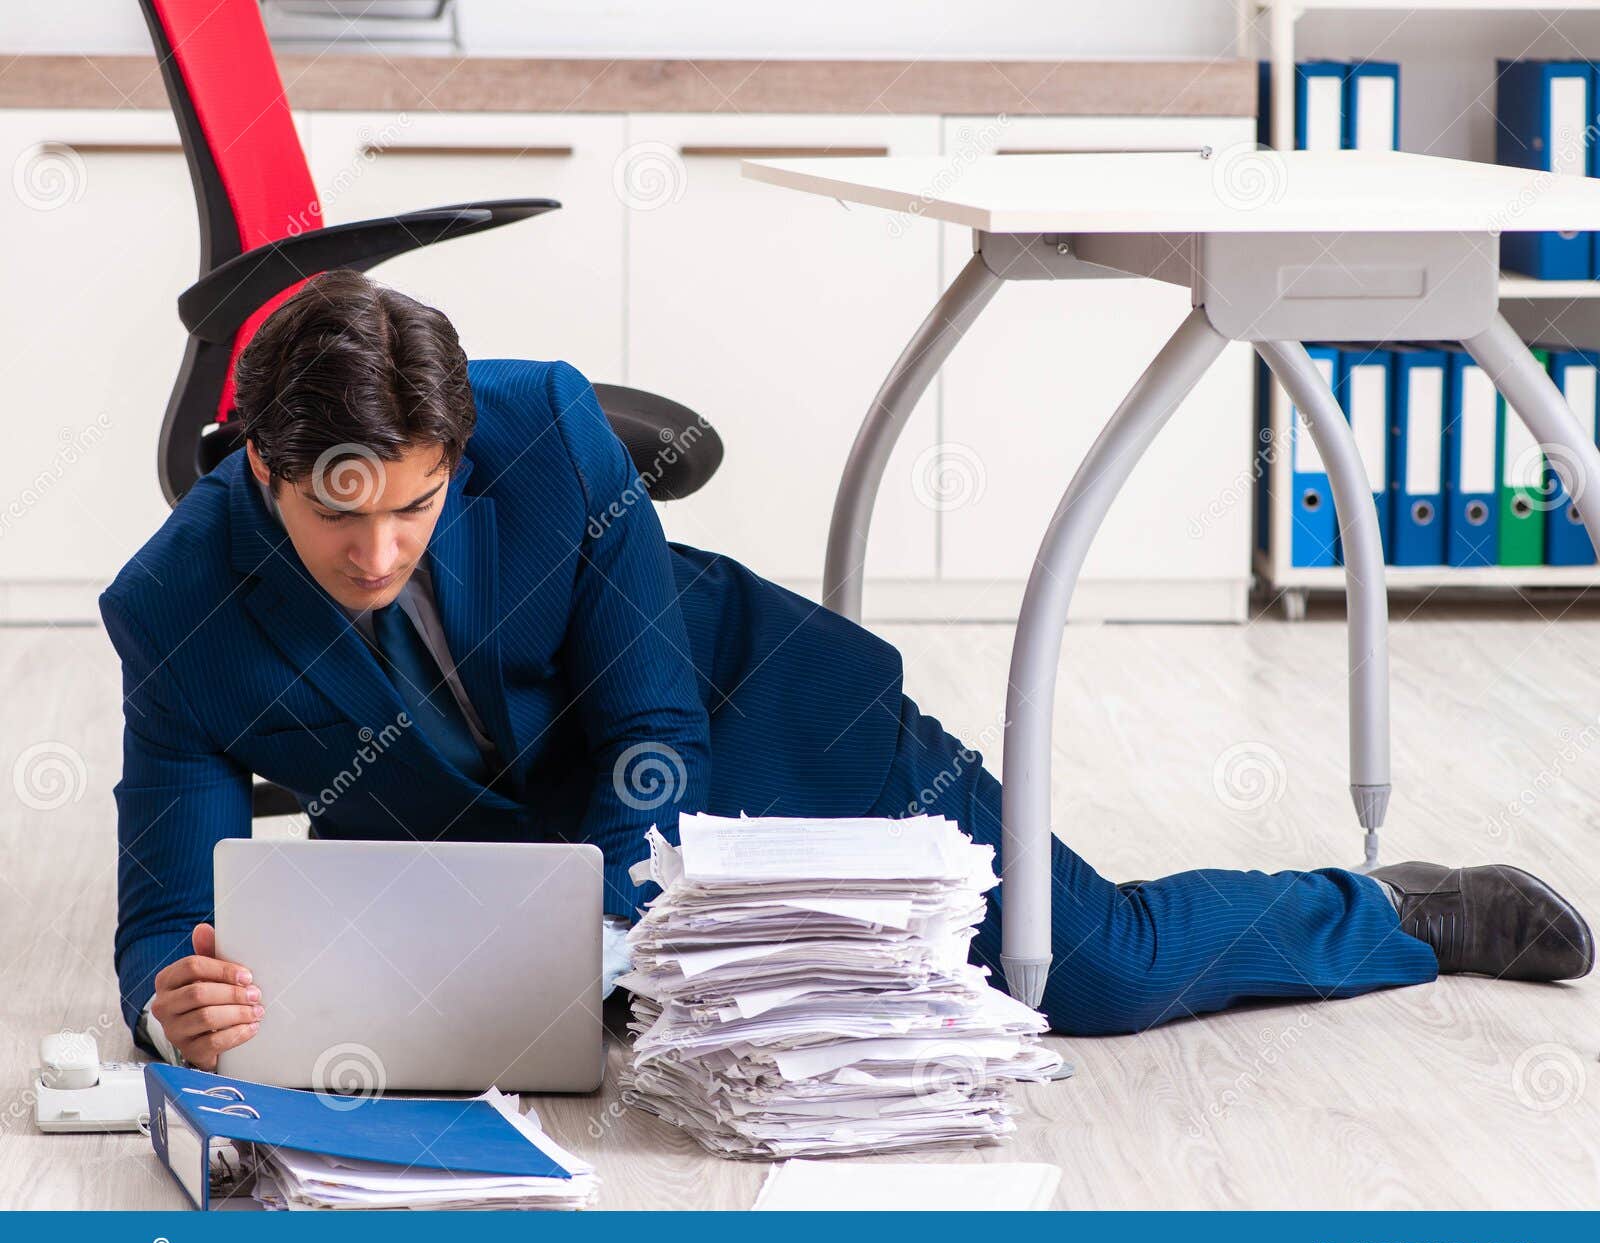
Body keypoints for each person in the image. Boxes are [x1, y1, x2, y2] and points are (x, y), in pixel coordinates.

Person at [103, 271, 1594, 1071]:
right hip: (492, 846)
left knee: (1092, 971)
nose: (381, 554)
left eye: (416, 507)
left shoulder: (549, 427)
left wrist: (628, 919)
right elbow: (167, 904)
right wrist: (168, 992)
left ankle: (1394, 912)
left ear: (457, 456)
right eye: (337, 515)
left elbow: (653, 721)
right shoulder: (170, 608)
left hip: (753, 724)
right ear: (261, 470)